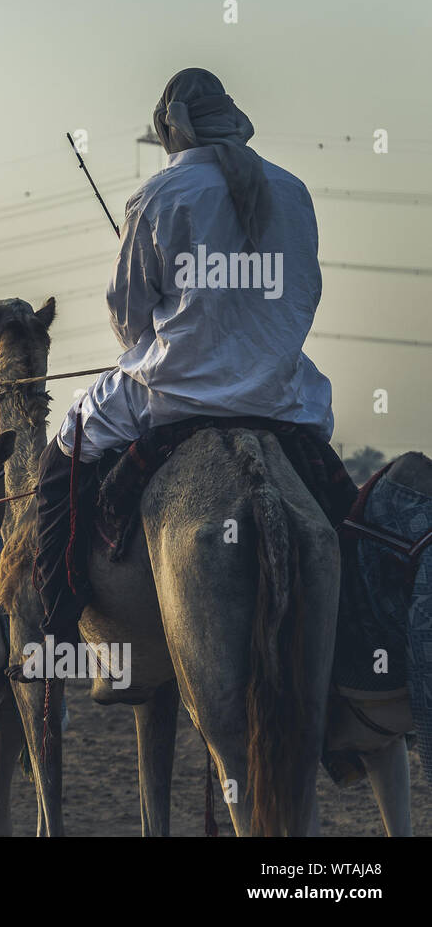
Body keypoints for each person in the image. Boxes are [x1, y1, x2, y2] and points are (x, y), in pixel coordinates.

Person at [35, 67, 337, 644]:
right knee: (334, 495)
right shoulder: (294, 192)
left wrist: (168, 344)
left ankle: (58, 622)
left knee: (62, 457)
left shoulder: (155, 197)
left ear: (171, 128)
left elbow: (127, 316)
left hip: (171, 396)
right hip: (281, 396)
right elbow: (304, 296)